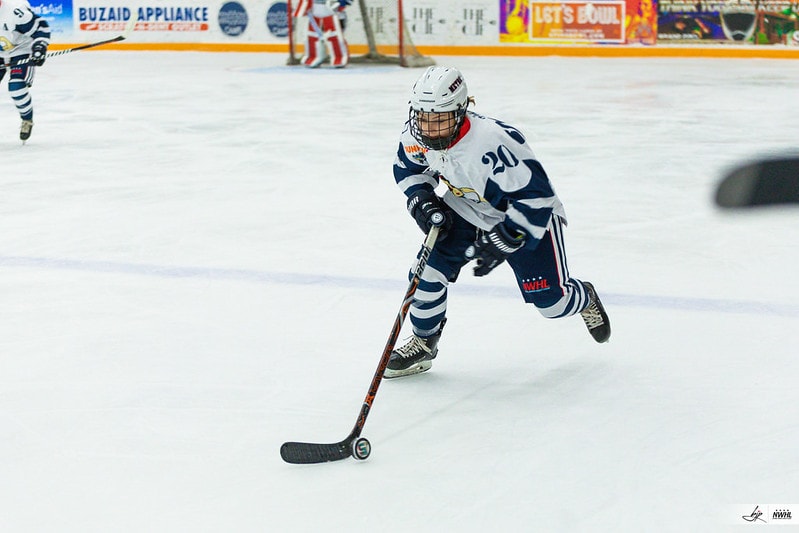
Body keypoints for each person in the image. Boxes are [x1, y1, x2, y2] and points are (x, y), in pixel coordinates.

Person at [386, 66, 611, 379]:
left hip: (523, 217)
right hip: (465, 208)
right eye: (423, 118)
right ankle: (425, 343)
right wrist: (421, 199)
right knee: (425, 276)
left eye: (439, 119)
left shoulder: (494, 142)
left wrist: (504, 238)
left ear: (461, 111)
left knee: (551, 304)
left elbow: (537, 199)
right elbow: (408, 171)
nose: (429, 128)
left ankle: (584, 296)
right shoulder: (416, 135)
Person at [0, 0, 50, 142]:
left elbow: (41, 28)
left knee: (17, 87)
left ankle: (27, 120)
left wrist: (39, 47)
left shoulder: (15, 12)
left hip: (21, 50)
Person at [293, 0, 351, 68]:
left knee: (334, 35)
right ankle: (313, 56)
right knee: (311, 35)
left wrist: (341, 4)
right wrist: (303, 8)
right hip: (315, 13)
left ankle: (339, 57)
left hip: (331, 13)